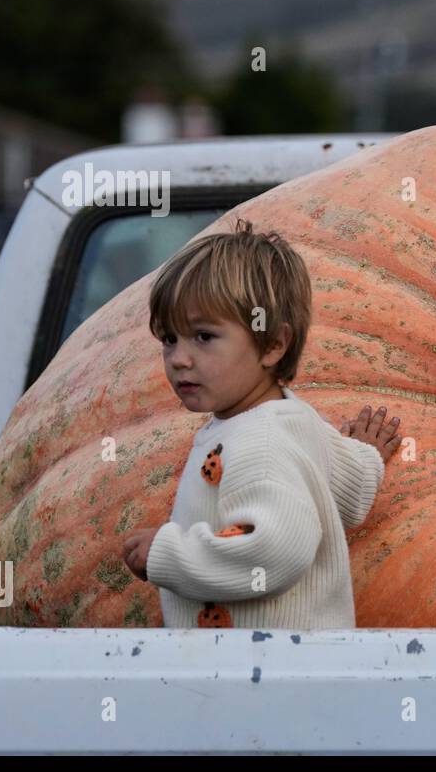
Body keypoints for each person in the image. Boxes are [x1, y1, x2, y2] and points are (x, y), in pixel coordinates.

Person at [120, 218, 401, 628]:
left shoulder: (261, 441)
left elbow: (275, 552)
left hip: (261, 674)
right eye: (169, 339)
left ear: (272, 345)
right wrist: (367, 456)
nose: (179, 358)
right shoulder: (290, 418)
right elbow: (345, 492)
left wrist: (168, 554)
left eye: (203, 337)